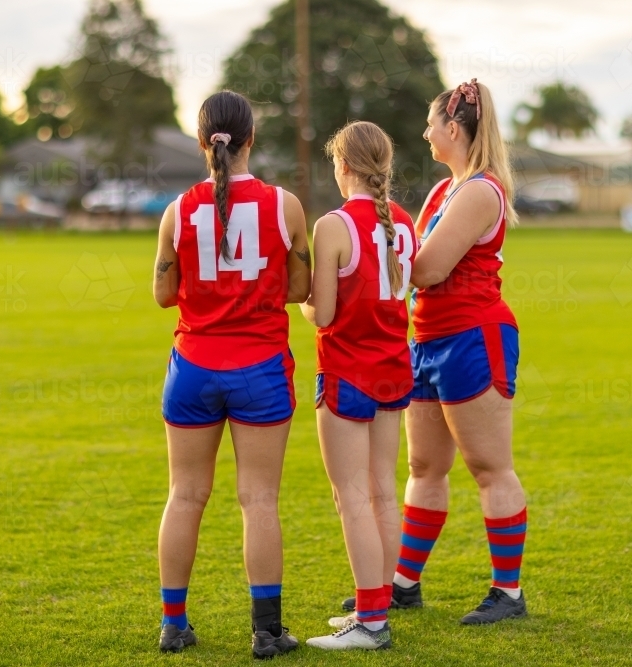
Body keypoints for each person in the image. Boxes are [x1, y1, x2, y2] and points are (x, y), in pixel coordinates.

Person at [341, 78, 529, 625]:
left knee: (489, 467)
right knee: (424, 466)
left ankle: (509, 593)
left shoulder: (478, 189)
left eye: (431, 124)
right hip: (427, 338)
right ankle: (404, 584)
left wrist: (374, 262)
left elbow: (425, 267)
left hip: (473, 337)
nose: (424, 133)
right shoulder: (443, 190)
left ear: (454, 127)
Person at [152, 90, 311, 657]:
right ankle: (267, 631)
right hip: (260, 368)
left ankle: (174, 624)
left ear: (202, 142)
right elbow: (299, 289)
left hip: (193, 367)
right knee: (260, 500)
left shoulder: (177, 209)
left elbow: (162, 294)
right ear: (251, 140)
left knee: (186, 494)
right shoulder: (284, 205)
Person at [301, 121, 417, 650]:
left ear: (342, 165)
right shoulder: (405, 223)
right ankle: (377, 603)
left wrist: (300, 299)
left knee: (351, 496)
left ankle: (371, 622)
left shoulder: (332, 225)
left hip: (348, 371)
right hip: (393, 368)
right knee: (381, 492)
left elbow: (322, 312)